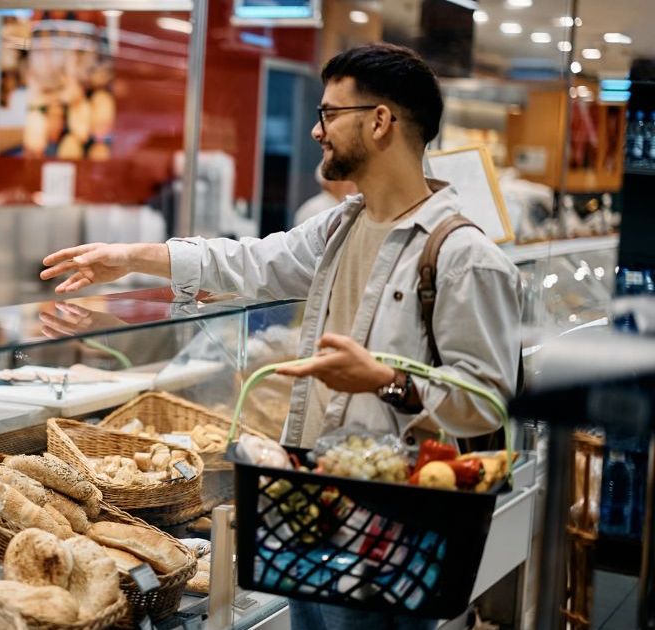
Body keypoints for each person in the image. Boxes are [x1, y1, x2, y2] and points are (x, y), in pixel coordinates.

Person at [41, 44, 521, 630]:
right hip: (309, 507)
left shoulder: (462, 255)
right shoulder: (341, 227)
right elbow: (250, 262)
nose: (318, 131)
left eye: (330, 114)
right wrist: (132, 258)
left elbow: (486, 401)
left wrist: (386, 381)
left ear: (379, 121)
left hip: (393, 532)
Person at [294, 162, 359, 227]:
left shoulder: (347, 205)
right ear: (330, 181)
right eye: (345, 177)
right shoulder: (314, 209)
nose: (351, 182)